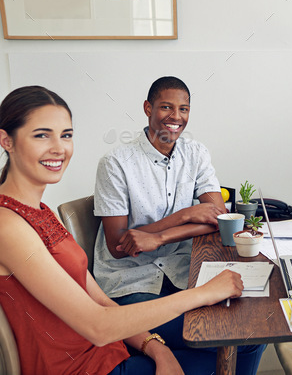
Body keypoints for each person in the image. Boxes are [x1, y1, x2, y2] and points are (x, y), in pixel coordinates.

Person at [0, 85, 258, 374]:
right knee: (244, 339)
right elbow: (97, 325)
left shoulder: (40, 213)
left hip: (108, 351)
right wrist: (205, 293)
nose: (59, 148)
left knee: (246, 337)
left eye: (66, 135)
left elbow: (101, 302)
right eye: (41, 135)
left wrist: (158, 350)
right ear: (6, 141)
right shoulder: (7, 225)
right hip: (83, 366)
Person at [92, 76, 264, 370]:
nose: (176, 117)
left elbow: (220, 219)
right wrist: (185, 215)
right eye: (166, 107)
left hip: (183, 273)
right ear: (148, 108)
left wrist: (159, 237)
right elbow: (119, 246)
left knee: (249, 330)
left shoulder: (195, 153)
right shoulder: (116, 162)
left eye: (184, 109)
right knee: (234, 336)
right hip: (130, 284)